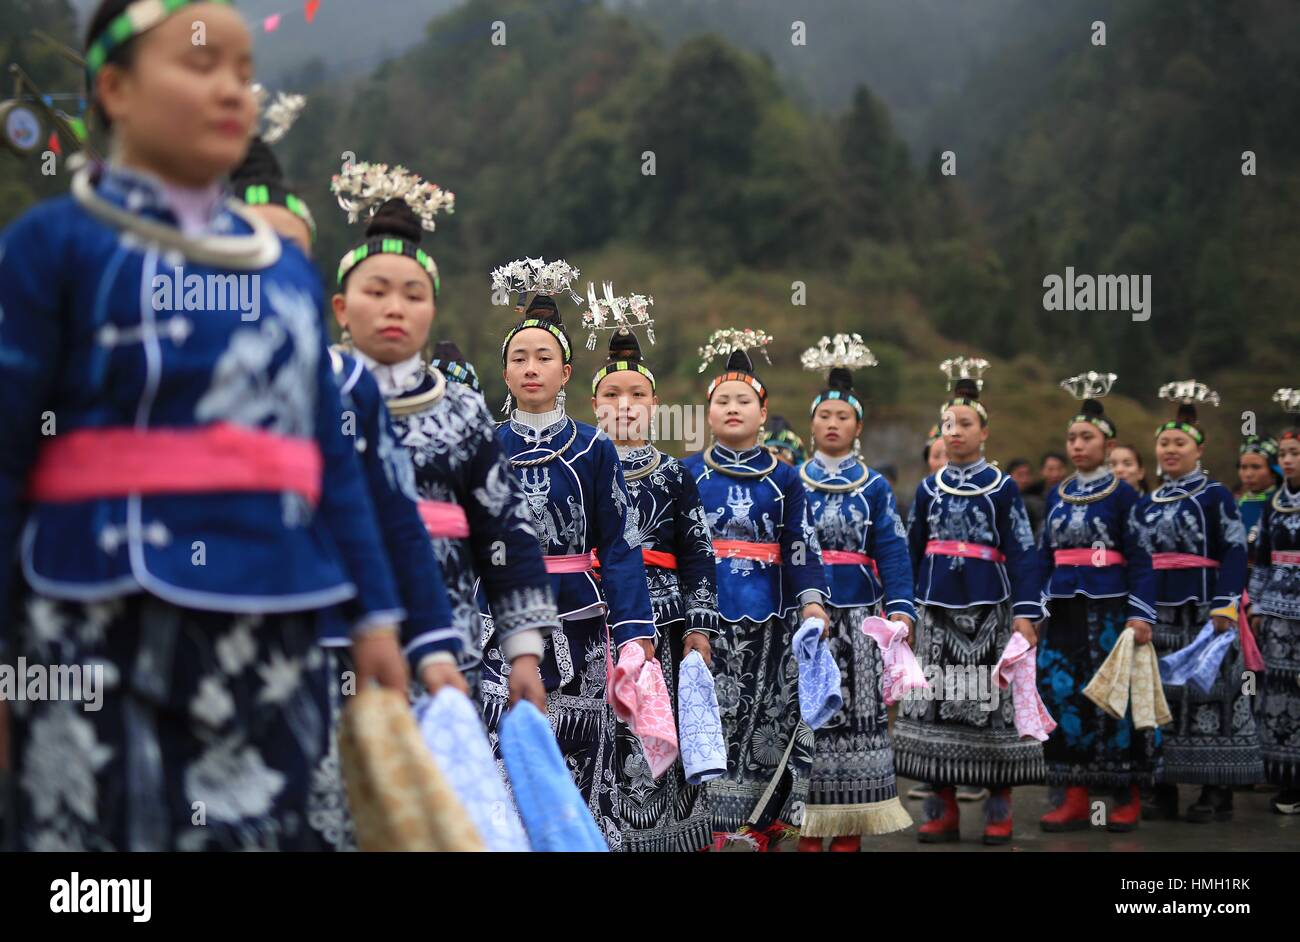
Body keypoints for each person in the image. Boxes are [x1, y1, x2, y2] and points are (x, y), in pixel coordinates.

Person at [0, 0, 411, 850]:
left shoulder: (287, 280)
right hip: (93, 622)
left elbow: (329, 461)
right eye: (199, 65)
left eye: (243, 72)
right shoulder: (52, 246)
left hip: (276, 631)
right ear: (113, 87)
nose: (233, 90)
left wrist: (375, 615)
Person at [328, 165, 557, 712]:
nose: (394, 308)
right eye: (376, 291)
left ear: (432, 310)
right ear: (342, 307)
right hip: (331, 640)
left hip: (447, 651)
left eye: (413, 294)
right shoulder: (312, 397)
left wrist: (524, 653)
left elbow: (503, 525)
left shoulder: (462, 410)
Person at [485, 259, 656, 847]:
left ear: (566, 372)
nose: (531, 368)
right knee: (504, 752)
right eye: (518, 358)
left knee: (579, 756)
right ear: (504, 371)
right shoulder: (484, 445)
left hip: (581, 624)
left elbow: (620, 545)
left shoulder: (594, 447)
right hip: (498, 624)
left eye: (544, 358)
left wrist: (635, 631)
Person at [682, 328, 830, 848]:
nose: (733, 407)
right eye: (722, 400)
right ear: (708, 413)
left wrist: (812, 603)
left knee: (764, 722)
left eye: (744, 399)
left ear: (763, 413)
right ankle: (706, 826)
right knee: (708, 721)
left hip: (770, 618)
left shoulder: (785, 478)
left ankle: (758, 823)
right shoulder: (688, 473)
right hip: (702, 618)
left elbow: (801, 545)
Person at [587, 298, 720, 851]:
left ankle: (663, 841)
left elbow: (697, 553)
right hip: (595, 620)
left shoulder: (676, 474)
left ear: (655, 404)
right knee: (602, 743)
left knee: (657, 745)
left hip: (661, 626)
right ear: (594, 403)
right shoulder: (582, 463)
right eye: (612, 395)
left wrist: (698, 628)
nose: (625, 404)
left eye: (636, 395)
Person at [897, 359, 1044, 844]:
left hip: (991, 611)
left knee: (990, 706)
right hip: (935, 611)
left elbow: (1023, 551)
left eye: (964, 425)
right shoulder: (928, 489)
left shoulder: (1002, 489)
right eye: (947, 425)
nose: (954, 432)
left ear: (984, 432)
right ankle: (942, 812)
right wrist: (905, 609)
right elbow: (912, 549)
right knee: (933, 705)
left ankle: (999, 809)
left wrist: (1026, 613)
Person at [794, 335, 914, 851]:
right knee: (807, 722)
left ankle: (849, 830)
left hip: (861, 620)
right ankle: (804, 825)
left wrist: (902, 610)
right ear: (812, 424)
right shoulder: (791, 480)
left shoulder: (875, 488)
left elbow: (893, 553)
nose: (833, 423)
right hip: (807, 621)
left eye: (844, 416)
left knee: (858, 720)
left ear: (858, 427)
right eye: (825, 415)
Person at [1133, 381, 1262, 822]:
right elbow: (1140, 560)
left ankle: (1217, 789)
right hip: (1161, 613)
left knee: (1212, 698)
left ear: (1197, 450)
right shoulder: (1147, 502)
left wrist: (1227, 602)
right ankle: (1163, 786)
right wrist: (1140, 610)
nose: (1170, 450)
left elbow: (1235, 550)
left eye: (1179, 443)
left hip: (1208, 614)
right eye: (1164, 443)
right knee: (1162, 699)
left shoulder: (1215, 495)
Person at [1035, 374, 1157, 832]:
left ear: (1109, 443)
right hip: (1063, 609)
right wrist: (1031, 609)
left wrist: (1140, 614)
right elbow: (1042, 556)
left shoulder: (1125, 496)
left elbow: (1143, 559)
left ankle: (1125, 794)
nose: (1077, 444)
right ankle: (1074, 795)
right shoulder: (1057, 496)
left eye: (1087, 437)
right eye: (1072, 437)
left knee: (1113, 696)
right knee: (1062, 693)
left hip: (1111, 610)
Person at [1246, 392, 1300, 814]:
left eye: (1295, 452)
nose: (1289, 459)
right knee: (1279, 693)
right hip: (1279, 615)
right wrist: (1258, 606)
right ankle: (1287, 775)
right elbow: (1261, 561)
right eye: (1284, 454)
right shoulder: (1273, 506)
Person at [1237, 433, 1281, 568]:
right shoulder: (1237, 505)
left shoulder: (1282, 505)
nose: (1248, 474)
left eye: (1256, 467)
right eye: (1243, 467)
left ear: (1273, 470)